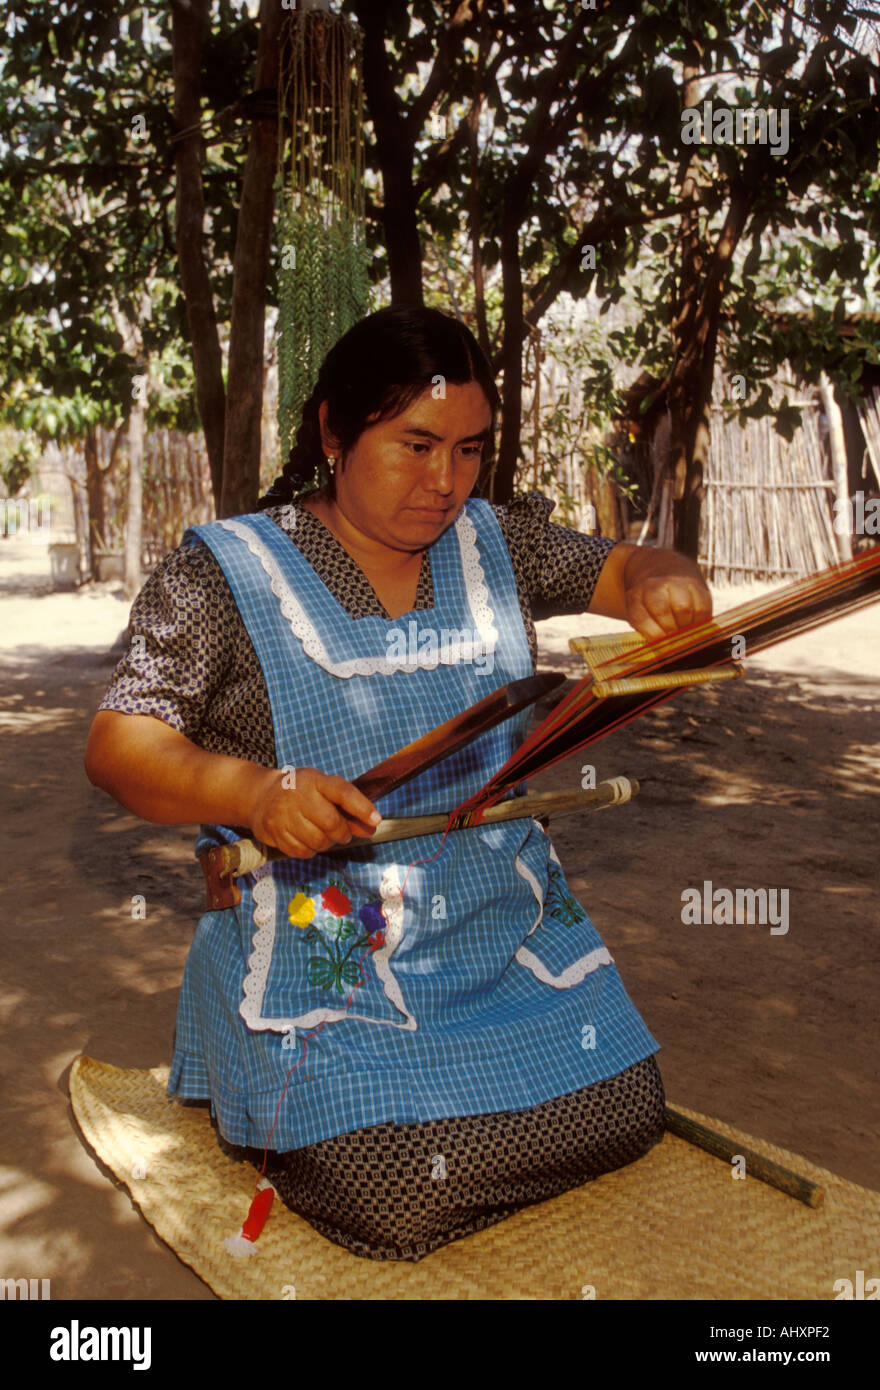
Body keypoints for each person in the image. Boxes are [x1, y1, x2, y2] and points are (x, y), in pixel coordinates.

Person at [85, 305, 712, 1262]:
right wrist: (254, 795)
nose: (444, 483)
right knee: (398, 1190)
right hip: (325, 940)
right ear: (335, 430)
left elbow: (629, 569)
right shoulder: (227, 571)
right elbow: (119, 741)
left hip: (498, 923)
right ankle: (286, 1109)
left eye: (468, 451)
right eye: (414, 445)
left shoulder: (495, 543)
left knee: (626, 1109)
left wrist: (666, 584)